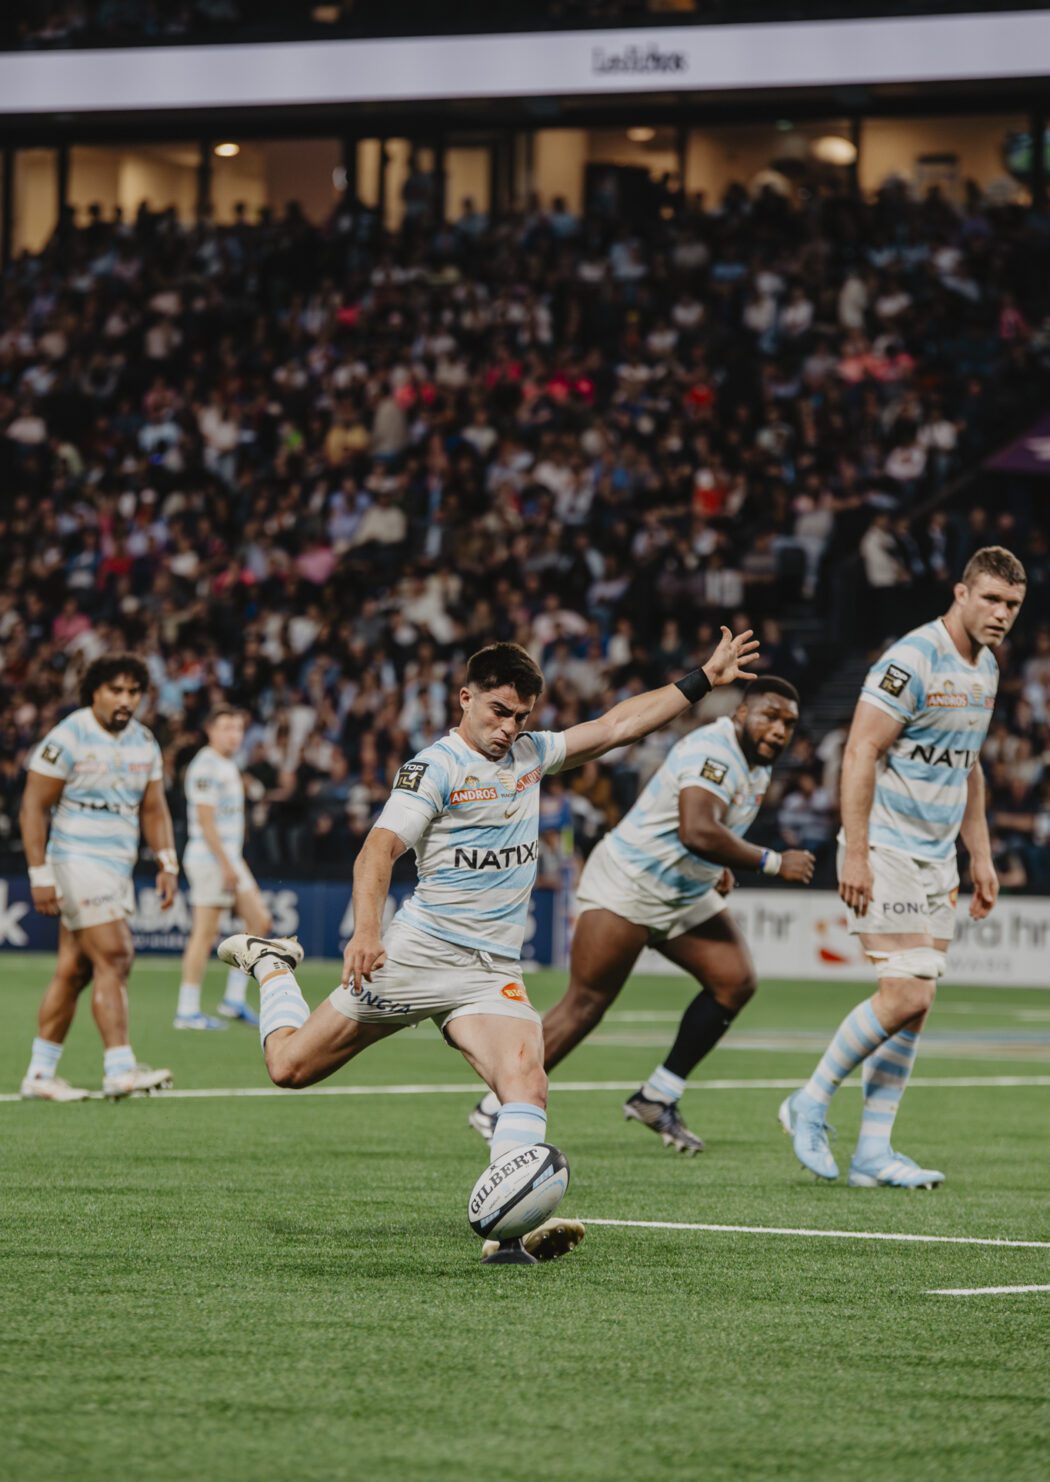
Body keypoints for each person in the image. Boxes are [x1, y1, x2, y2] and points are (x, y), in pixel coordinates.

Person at [218, 629, 758, 1264]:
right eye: (498, 711)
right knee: (289, 1069)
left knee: (526, 1080)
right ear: (466, 698)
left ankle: (506, 1236)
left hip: (489, 972)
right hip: (418, 957)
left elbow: (616, 727)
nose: (508, 728)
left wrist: (703, 678)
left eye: (520, 716)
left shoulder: (531, 754)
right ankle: (272, 965)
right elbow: (378, 851)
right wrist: (366, 932)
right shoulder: (435, 768)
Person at [469, 678, 815, 1155]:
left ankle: (657, 1096)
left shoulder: (756, 760)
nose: (778, 730)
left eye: (788, 724)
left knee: (734, 981)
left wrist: (716, 865)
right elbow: (697, 829)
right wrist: (772, 861)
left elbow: (707, 830)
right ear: (741, 713)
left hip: (680, 893)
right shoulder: (714, 751)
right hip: (628, 885)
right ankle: (495, 1105)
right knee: (585, 1005)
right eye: (770, 716)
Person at [780, 546, 1026, 1188]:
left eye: (1012, 604)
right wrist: (857, 852)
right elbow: (860, 750)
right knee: (907, 992)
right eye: (992, 599)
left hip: (937, 857)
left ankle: (873, 1151)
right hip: (887, 846)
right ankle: (809, 1099)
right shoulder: (912, 659)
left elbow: (969, 766)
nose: (1002, 613)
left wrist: (980, 855)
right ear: (961, 593)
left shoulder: (987, 668)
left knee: (918, 1005)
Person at [19, 654, 177, 1101]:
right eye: (116, 690)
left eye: (134, 692)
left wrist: (167, 862)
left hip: (116, 867)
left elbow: (154, 808)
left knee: (74, 970)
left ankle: (39, 1074)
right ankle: (120, 1069)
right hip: (75, 861)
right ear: (95, 692)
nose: (126, 700)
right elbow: (33, 807)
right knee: (116, 953)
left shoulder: (144, 741)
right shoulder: (68, 736)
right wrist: (40, 873)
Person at [175, 706, 272, 1030]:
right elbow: (205, 821)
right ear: (210, 730)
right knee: (204, 934)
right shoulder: (205, 766)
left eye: (238, 728)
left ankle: (233, 999)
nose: (234, 734)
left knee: (259, 921)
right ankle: (187, 1011)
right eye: (227, 727)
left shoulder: (228, 764)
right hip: (210, 859)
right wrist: (226, 863)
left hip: (229, 859)